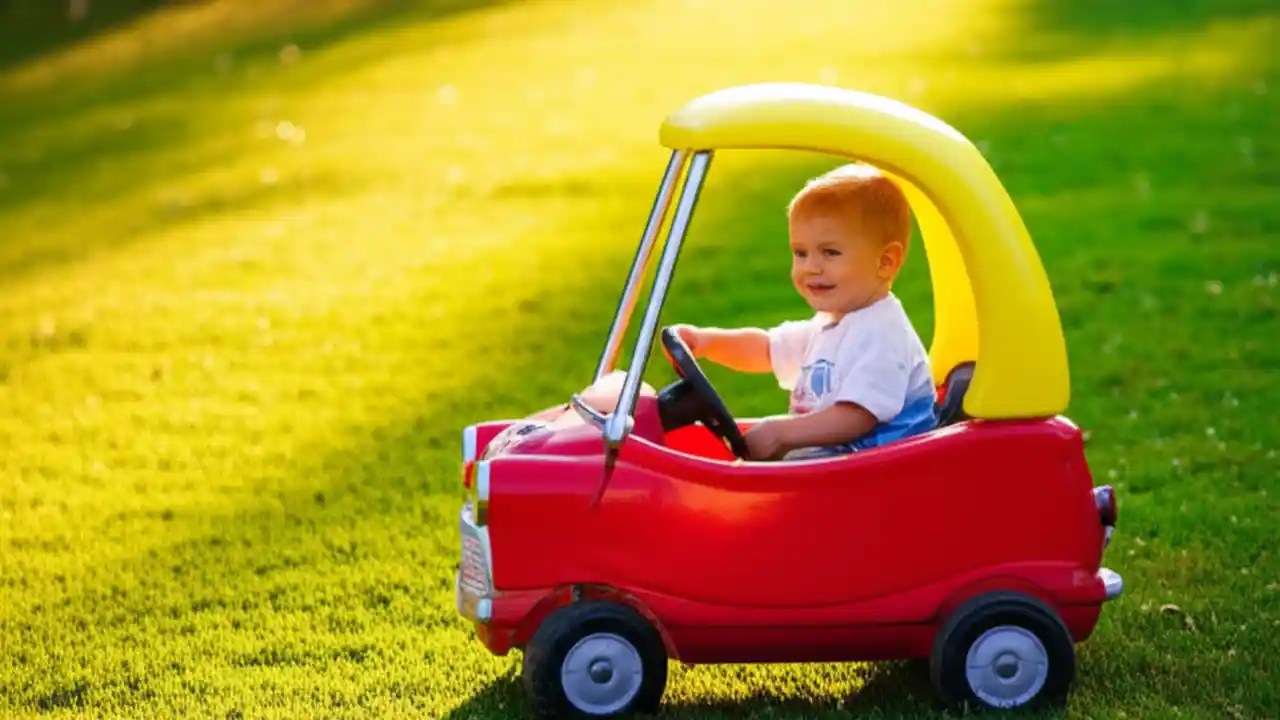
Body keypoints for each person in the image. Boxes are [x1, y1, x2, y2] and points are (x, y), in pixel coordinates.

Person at [671, 163, 937, 460]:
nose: (811, 267)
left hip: (881, 474)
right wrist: (708, 342)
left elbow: (856, 417)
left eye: (830, 252)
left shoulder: (883, 334)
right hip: (837, 464)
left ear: (885, 261)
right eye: (801, 253)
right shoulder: (830, 323)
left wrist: (781, 433)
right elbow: (767, 350)